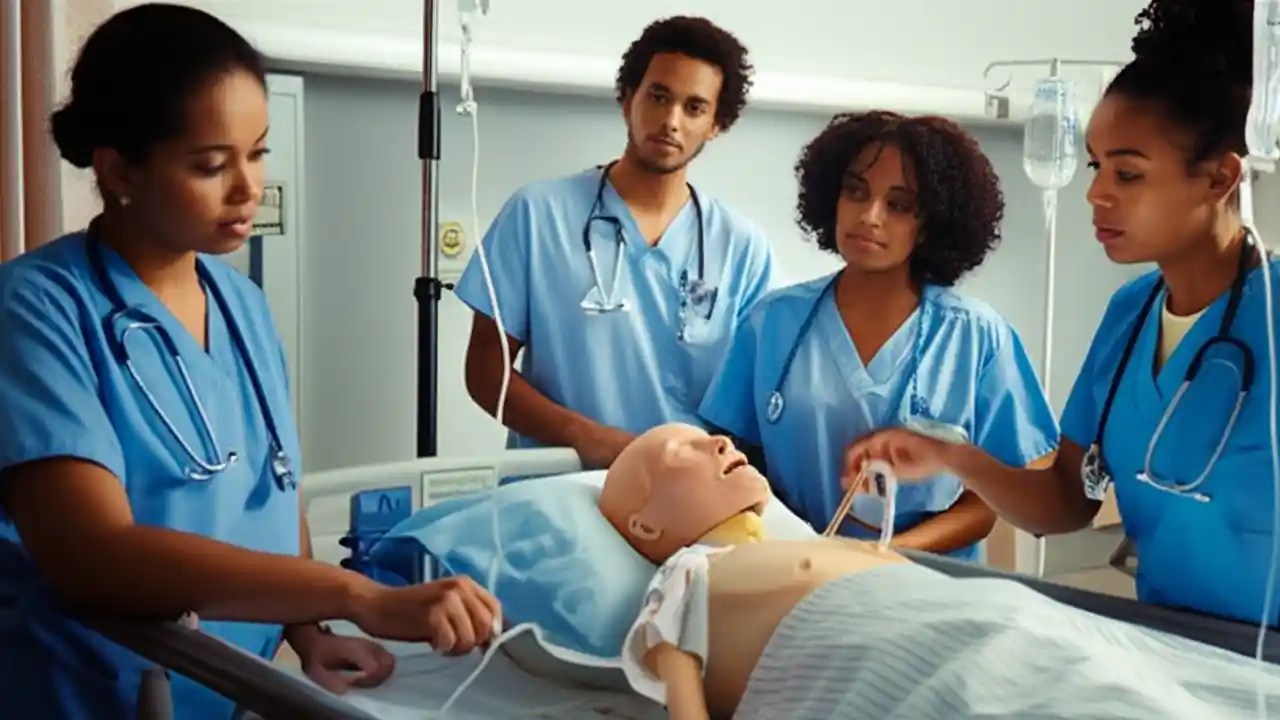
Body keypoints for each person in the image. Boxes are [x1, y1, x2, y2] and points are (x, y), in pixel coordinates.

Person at [0, 6, 498, 720]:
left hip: (234, 685)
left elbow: (272, 485)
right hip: (95, 694)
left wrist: (307, 631)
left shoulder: (240, 302)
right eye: (211, 165)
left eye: (258, 153)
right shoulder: (38, 309)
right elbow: (93, 557)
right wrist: (354, 594)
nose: (247, 188)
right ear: (117, 169)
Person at [845, 0, 1280, 625]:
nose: (1096, 193)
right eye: (1098, 165)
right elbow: (1066, 501)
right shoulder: (1130, 315)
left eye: (1128, 174)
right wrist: (951, 458)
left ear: (1219, 180)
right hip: (1167, 645)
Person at [593, 423, 1280, 720]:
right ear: (647, 527)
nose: (715, 439)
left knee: (1132, 678)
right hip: (898, 660)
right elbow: (681, 691)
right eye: (677, 451)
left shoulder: (801, 536)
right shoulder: (686, 574)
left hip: (983, 616)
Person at [698, 111, 1059, 562]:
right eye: (855, 191)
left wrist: (883, 554)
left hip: (928, 584)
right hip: (793, 570)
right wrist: (802, 549)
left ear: (930, 223)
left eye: (899, 205)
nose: (869, 216)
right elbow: (732, 464)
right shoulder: (772, 322)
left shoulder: (977, 338)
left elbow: (986, 504)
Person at [456, 15, 782, 469]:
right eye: (658, 96)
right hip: (560, 488)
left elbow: (758, 402)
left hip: (687, 498)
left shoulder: (742, 249)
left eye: (694, 108)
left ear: (716, 124)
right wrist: (584, 438)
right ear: (628, 98)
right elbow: (486, 375)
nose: (670, 121)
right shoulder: (537, 214)